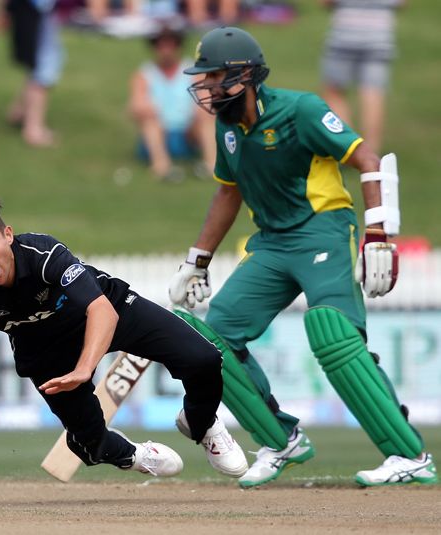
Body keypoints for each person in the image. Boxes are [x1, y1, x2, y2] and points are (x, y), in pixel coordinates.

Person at [169, 26, 436, 487]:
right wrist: (198, 258)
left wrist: (378, 234)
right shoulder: (227, 127)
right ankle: (282, 439)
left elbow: (368, 161)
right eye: (205, 79)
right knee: (214, 341)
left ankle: (408, 456)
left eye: (216, 78)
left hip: (323, 231)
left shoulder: (302, 110)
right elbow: (228, 194)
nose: (208, 88)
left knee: (331, 332)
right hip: (271, 242)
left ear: (245, 75)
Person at [0, 196, 248, 479]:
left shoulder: (43, 253)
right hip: (45, 351)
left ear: (7, 234)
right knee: (89, 445)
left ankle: (201, 422)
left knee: (203, 359)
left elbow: (101, 312)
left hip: (111, 310)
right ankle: (132, 455)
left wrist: (84, 369)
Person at [129, 22, 216, 181]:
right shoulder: (144, 74)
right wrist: (146, 108)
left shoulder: (194, 72)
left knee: (206, 114)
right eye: (161, 45)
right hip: (159, 130)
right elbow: (136, 104)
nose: (166, 50)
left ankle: (212, 165)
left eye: (171, 45)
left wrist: (201, 110)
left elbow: (207, 101)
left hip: (188, 131)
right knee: (149, 120)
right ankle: (161, 167)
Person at [320, 0, 404, 153]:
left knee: (335, 91)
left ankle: (345, 147)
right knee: (373, 93)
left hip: (344, 35)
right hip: (380, 38)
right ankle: (370, 153)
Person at [0, 0, 64, 147]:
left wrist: (2, 11)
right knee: (45, 67)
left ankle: (19, 112)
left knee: (37, 63)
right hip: (34, 11)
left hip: (29, 10)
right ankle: (33, 129)